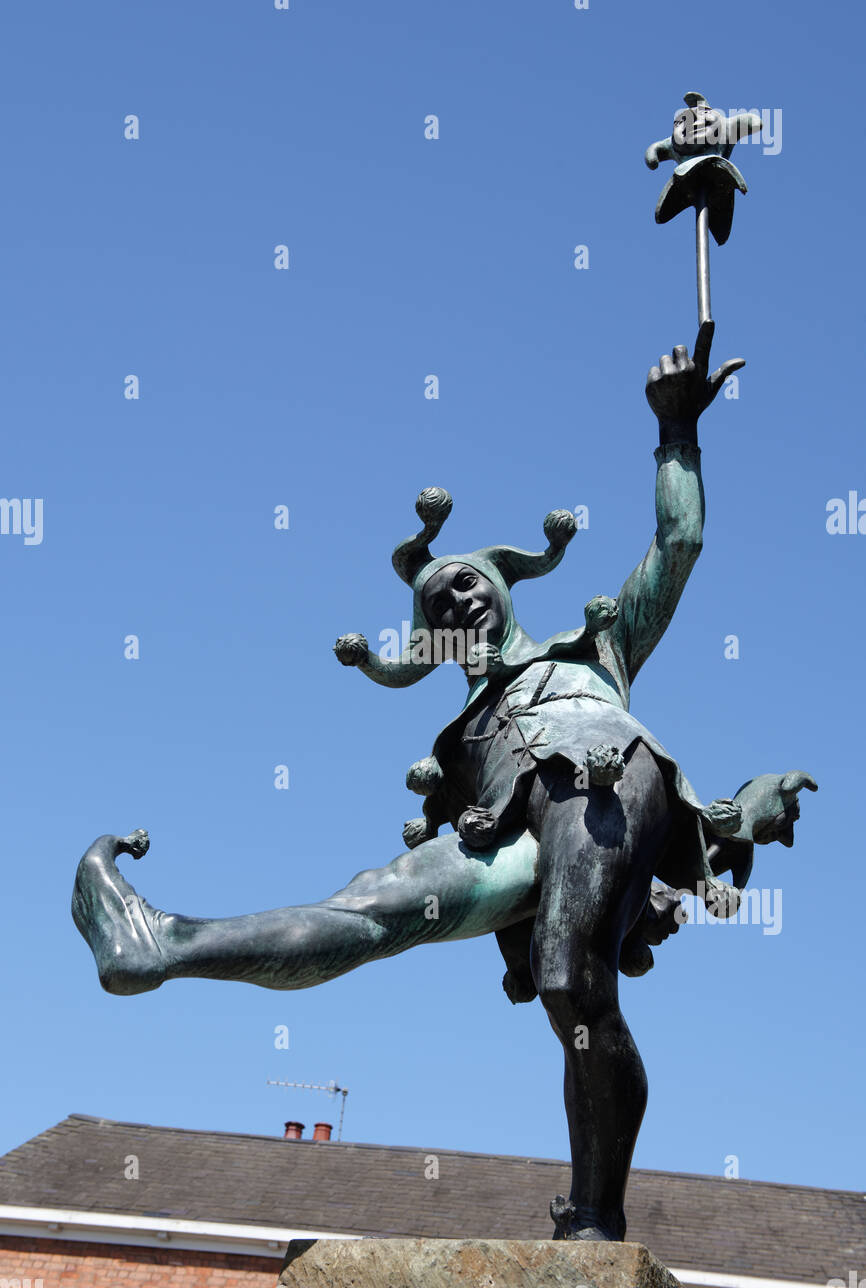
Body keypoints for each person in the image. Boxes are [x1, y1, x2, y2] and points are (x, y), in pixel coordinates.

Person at [72, 322, 814, 1241]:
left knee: (567, 976)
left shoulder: (599, 650)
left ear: (504, 592)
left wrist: (676, 434)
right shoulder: (463, 734)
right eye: (437, 601)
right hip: (506, 823)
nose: (457, 597)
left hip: (604, 780)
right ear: (437, 638)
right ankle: (161, 943)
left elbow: (680, 542)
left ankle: (594, 1215)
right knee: (373, 908)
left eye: (467, 583)